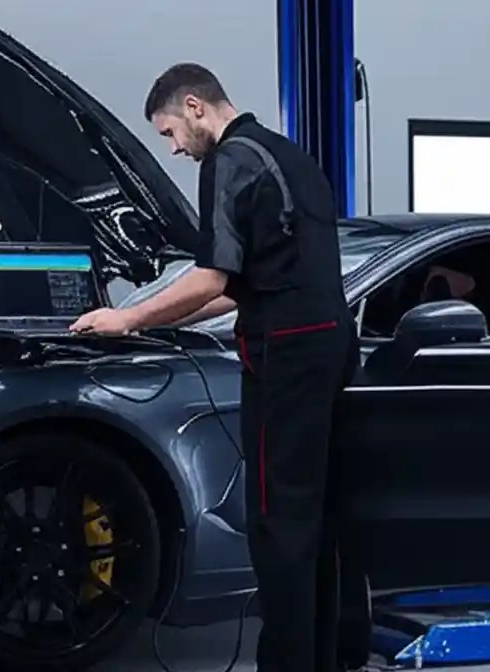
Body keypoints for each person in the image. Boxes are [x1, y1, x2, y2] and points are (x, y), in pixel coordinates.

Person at [70, 63, 365, 672]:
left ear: (197, 107)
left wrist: (127, 320)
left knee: (276, 521)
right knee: (317, 518)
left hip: (285, 355)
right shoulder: (290, 156)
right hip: (330, 346)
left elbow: (212, 276)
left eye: (170, 133)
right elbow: (255, 279)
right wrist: (160, 315)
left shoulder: (229, 161)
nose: (174, 149)